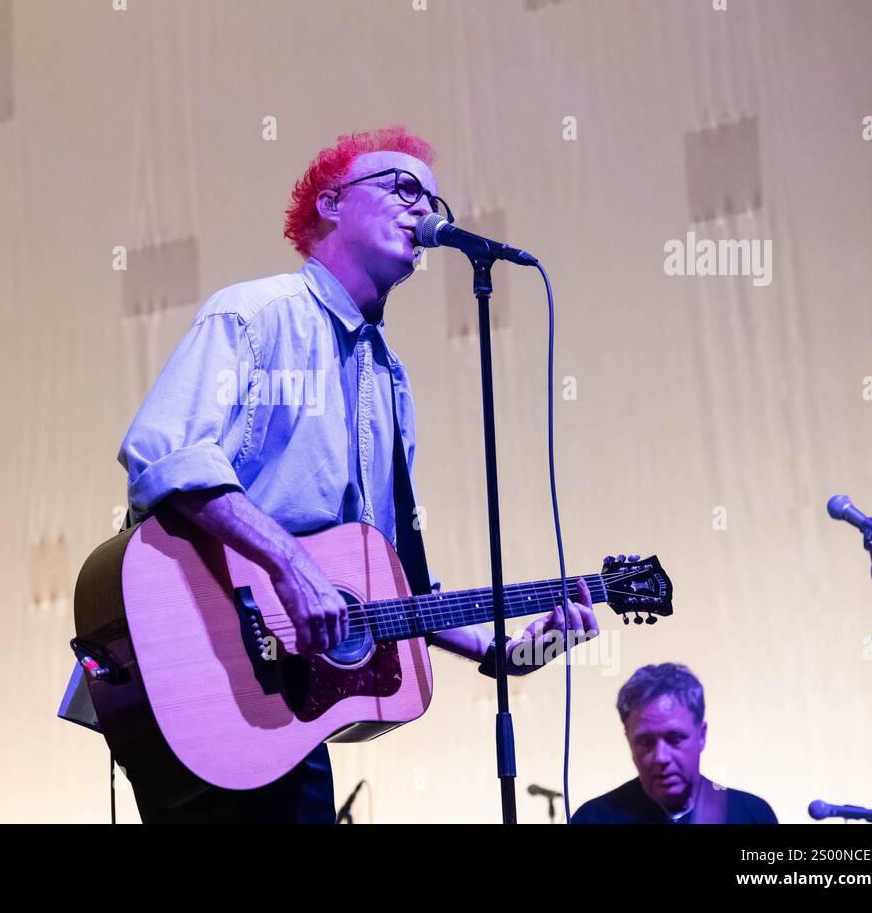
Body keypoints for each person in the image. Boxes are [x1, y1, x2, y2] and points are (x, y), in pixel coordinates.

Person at [118, 126, 599, 823]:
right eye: (404, 188)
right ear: (332, 204)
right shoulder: (255, 315)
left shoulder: (388, 379)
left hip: (286, 706)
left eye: (436, 200)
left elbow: (387, 582)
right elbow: (163, 451)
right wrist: (288, 563)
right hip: (202, 667)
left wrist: (509, 652)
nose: (425, 210)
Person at [571, 663, 777, 824]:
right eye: (645, 742)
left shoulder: (752, 815)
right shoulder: (592, 818)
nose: (661, 757)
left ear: (702, 735)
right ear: (628, 740)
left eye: (675, 739)